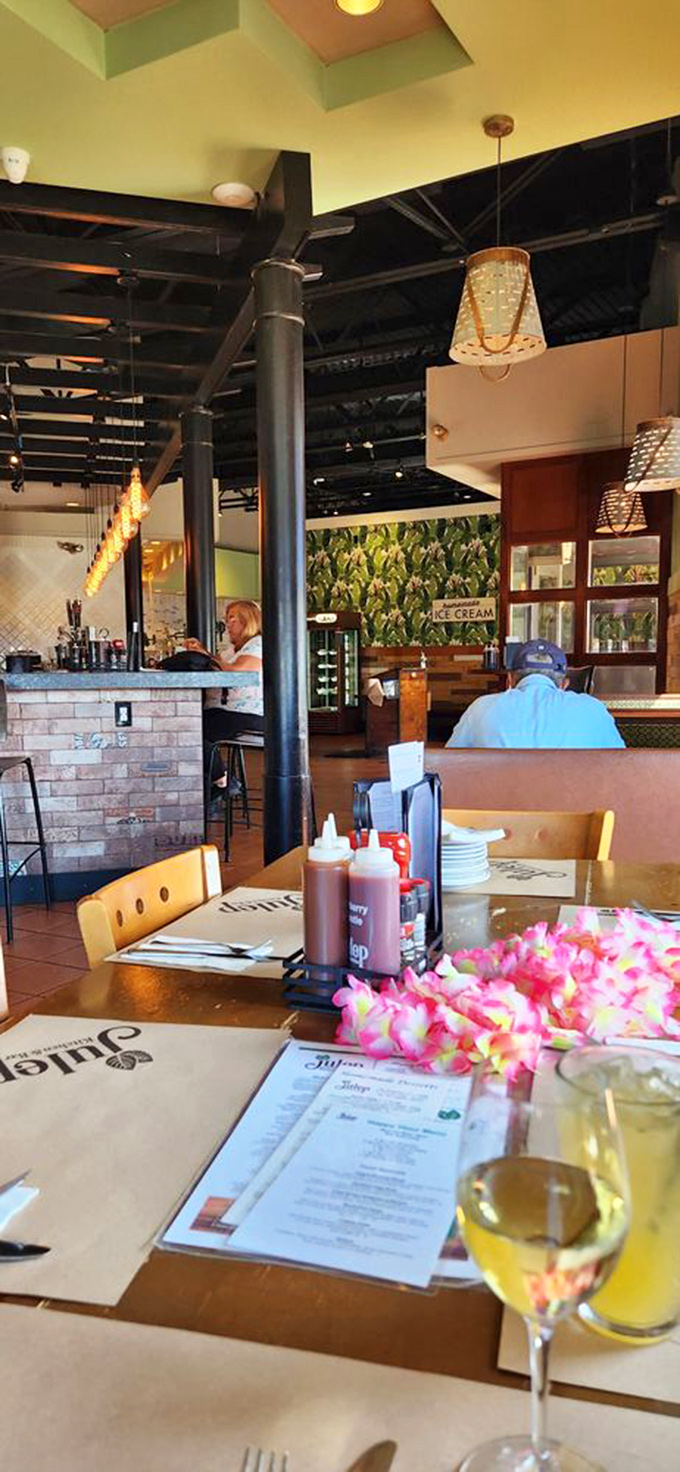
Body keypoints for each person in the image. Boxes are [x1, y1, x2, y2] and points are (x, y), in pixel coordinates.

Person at [446, 638, 625, 749]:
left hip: (497, 809)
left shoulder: (480, 707)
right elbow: (619, 764)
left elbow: (451, 763)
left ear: (510, 680)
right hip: (576, 809)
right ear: (564, 684)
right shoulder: (592, 709)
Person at [186, 600, 264, 790]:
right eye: (226, 618)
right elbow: (219, 665)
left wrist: (205, 655)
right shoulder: (231, 650)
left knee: (190, 731)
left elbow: (237, 673)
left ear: (248, 621)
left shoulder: (258, 645)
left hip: (247, 714)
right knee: (185, 726)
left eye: (232, 619)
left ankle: (221, 781)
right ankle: (215, 783)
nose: (227, 624)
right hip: (223, 712)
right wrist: (203, 654)